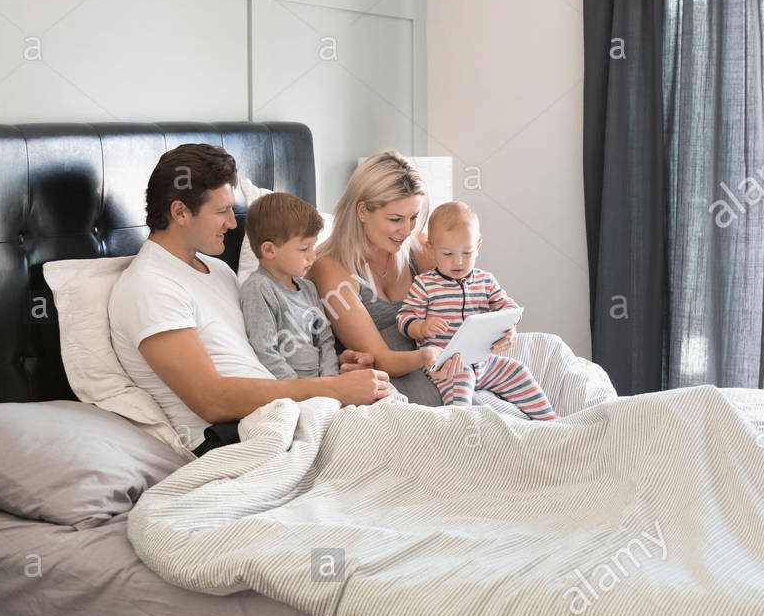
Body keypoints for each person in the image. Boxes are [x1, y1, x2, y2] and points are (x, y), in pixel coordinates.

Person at [108, 143, 390, 455]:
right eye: (221, 211)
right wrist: (332, 389)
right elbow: (212, 400)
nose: (232, 222)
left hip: (285, 413)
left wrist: (332, 370)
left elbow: (256, 354)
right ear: (180, 212)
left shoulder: (218, 271)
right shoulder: (149, 286)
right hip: (234, 438)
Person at [308, 151, 517, 406]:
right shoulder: (331, 268)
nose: (407, 230)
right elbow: (380, 356)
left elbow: (468, 296)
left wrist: (500, 329)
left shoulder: (416, 246)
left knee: (546, 352)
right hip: (398, 372)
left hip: (445, 360)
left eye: (414, 218)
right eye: (395, 219)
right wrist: (426, 357)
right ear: (362, 211)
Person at [397, 202, 557, 419]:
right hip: (448, 365)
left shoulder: (485, 280)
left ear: (478, 245)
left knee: (518, 371)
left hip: (485, 362)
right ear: (431, 249)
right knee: (461, 382)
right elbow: (404, 318)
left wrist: (510, 329)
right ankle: (462, 430)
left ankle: (550, 421)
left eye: (467, 252)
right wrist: (421, 326)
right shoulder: (425, 284)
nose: (458, 261)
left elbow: (507, 306)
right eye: (447, 254)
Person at [238, 191, 340, 380]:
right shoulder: (259, 288)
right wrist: (302, 389)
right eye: (304, 248)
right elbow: (265, 350)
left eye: (313, 246)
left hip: (322, 386)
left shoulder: (308, 288)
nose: (313, 256)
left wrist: (331, 380)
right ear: (269, 250)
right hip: (293, 389)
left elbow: (325, 340)